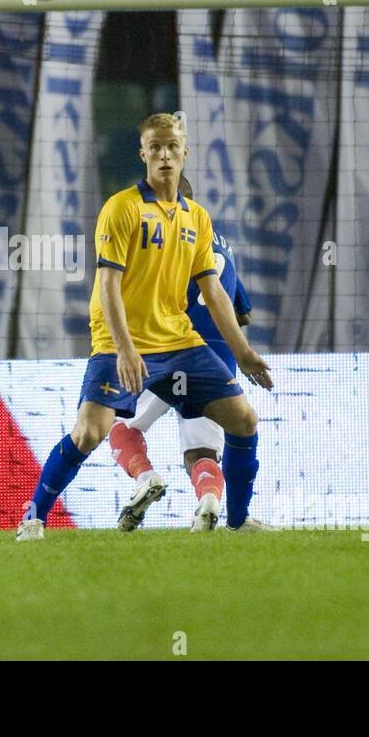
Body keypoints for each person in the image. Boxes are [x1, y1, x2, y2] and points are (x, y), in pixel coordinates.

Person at [16, 114, 273, 540]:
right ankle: (33, 517)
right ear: (144, 154)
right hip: (122, 344)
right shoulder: (122, 208)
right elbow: (108, 286)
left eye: (172, 147)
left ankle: (238, 520)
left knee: (244, 420)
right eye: (156, 147)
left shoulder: (197, 219)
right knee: (89, 433)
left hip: (180, 342)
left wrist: (244, 355)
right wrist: (124, 349)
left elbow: (215, 294)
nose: (165, 155)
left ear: (185, 152)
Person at [107, 176, 262, 532]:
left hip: (171, 353)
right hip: (217, 364)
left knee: (119, 425)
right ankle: (209, 501)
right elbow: (243, 313)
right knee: (202, 453)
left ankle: (145, 478)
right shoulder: (221, 245)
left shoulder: (163, 241)